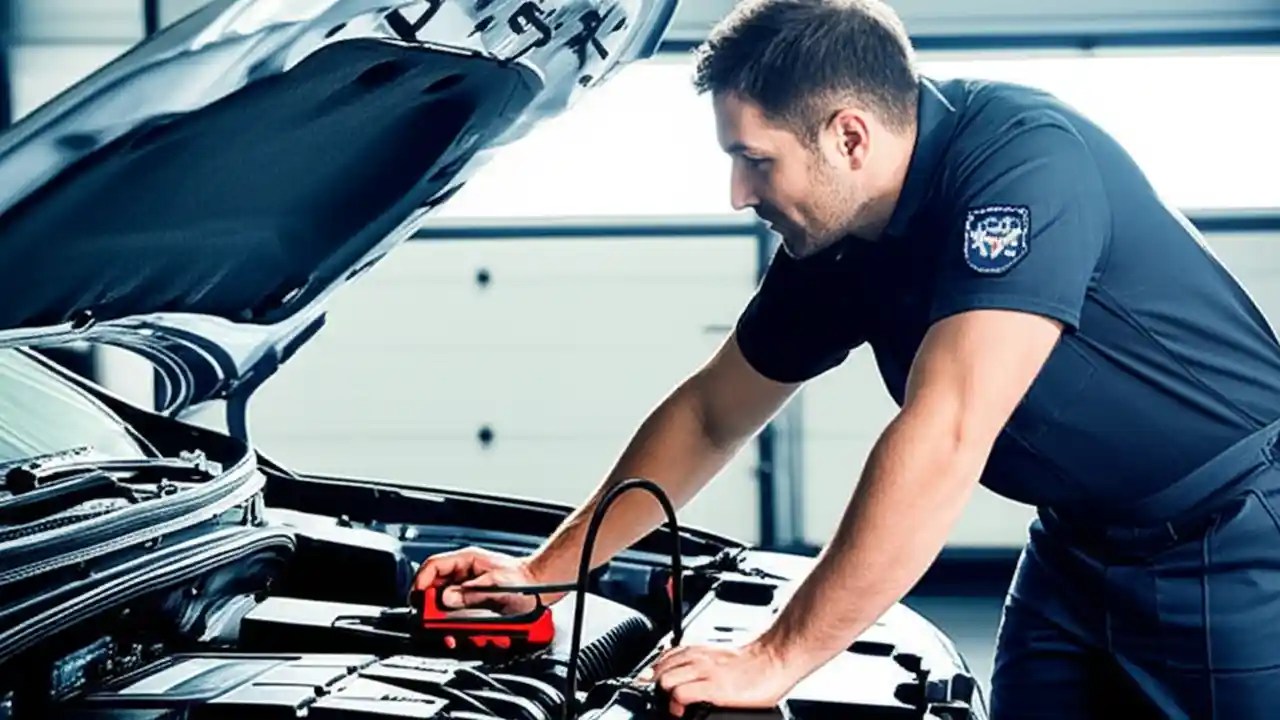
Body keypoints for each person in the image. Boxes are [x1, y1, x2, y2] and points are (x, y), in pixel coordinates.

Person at [413, 0, 1280, 717]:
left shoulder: (1023, 167)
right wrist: (543, 574)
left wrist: (775, 657)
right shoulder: (837, 238)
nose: (737, 194)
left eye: (754, 161)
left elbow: (945, 435)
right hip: (1075, 544)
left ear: (849, 137)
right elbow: (713, 411)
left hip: (1229, 536)